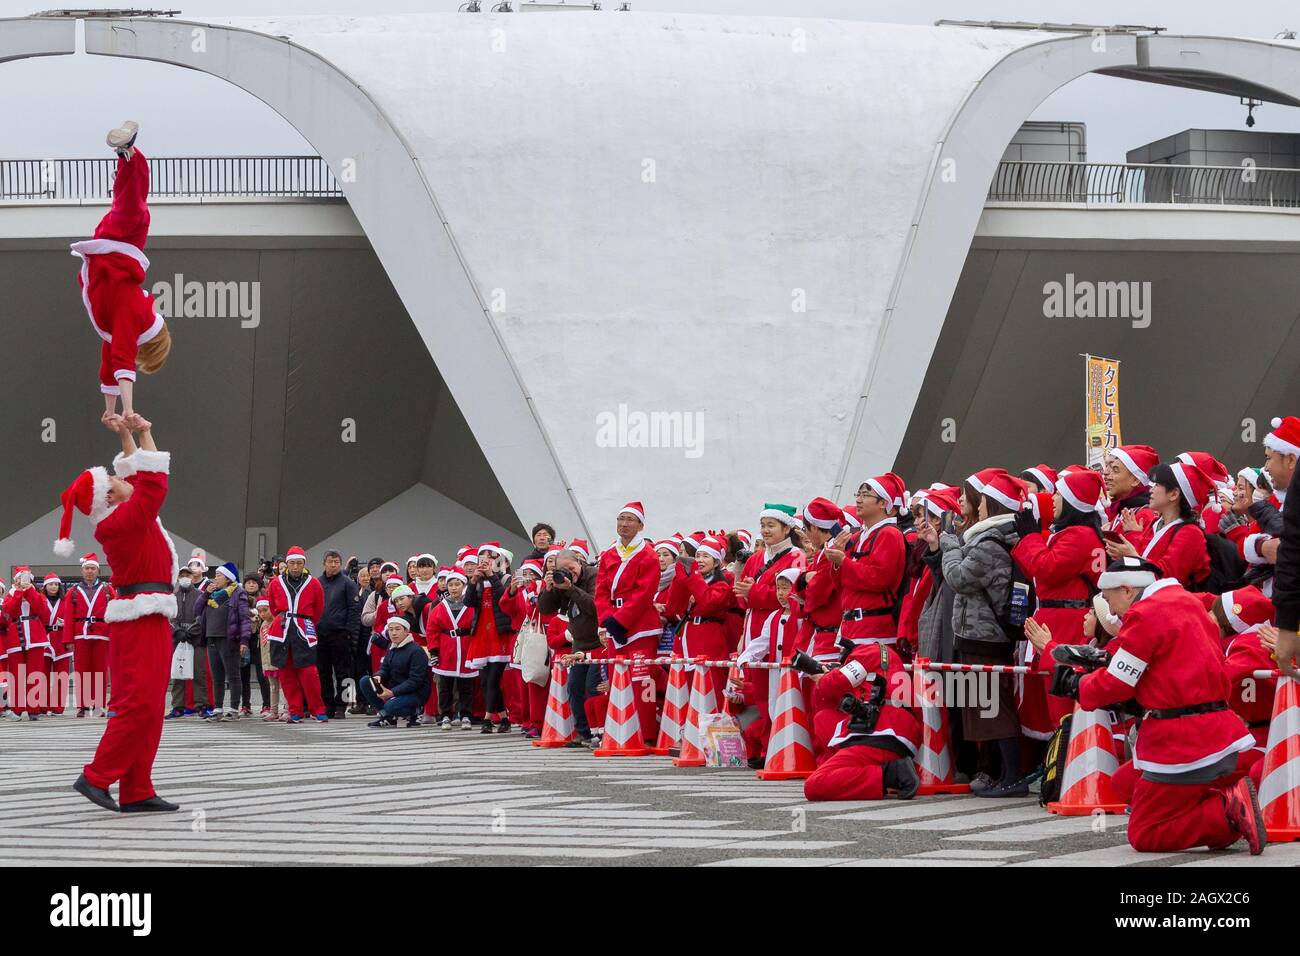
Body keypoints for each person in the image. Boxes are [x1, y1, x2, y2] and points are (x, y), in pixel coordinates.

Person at [1049, 556, 1264, 854]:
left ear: (1127, 589)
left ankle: (1225, 811)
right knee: (1125, 784)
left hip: (1181, 742)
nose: (1109, 610)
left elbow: (1117, 683)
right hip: (1217, 731)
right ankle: (1224, 809)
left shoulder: (1146, 613)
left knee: (1145, 834)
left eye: (1110, 600)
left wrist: (1079, 686)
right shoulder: (1186, 602)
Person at [63, 416, 181, 813]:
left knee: (149, 707)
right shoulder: (124, 522)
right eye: (113, 481)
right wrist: (144, 434)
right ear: (109, 498)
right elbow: (154, 483)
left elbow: (139, 475)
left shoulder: (125, 516)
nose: (121, 476)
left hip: (148, 614)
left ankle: (137, 788)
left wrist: (132, 432)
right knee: (139, 705)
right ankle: (96, 776)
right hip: (139, 618)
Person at [69, 122, 170, 432]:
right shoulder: (131, 316)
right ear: (145, 343)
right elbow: (123, 362)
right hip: (121, 248)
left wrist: (109, 411)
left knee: (126, 204)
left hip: (110, 252)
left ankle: (125, 159)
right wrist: (127, 409)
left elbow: (109, 366)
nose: (133, 357)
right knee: (132, 206)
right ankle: (130, 154)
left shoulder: (116, 331)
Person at [933, 468, 1025, 797]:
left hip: (985, 636)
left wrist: (949, 544)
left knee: (994, 708)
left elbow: (959, 577)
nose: (977, 506)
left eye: (981, 500)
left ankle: (1011, 775)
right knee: (980, 708)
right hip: (976, 634)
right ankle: (995, 772)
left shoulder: (990, 542)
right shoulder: (990, 538)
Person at [1011, 467, 1107, 729]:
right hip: (1061, 617)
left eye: (1059, 494)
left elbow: (1047, 569)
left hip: (1066, 623)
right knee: (1050, 698)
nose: (1053, 498)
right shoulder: (1078, 533)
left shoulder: (1079, 535)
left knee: (1060, 700)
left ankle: (1063, 757)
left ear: (1073, 502)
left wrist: (1031, 537)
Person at [802, 641, 922, 801]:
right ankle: (889, 771)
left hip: (879, 729)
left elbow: (836, 682)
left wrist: (823, 679)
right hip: (891, 731)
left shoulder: (868, 651)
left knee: (814, 786)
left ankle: (892, 773)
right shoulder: (884, 659)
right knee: (823, 718)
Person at [826, 476, 906, 649]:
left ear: (883, 503)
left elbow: (879, 579)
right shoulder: (858, 536)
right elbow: (840, 585)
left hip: (875, 632)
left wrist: (844, 562)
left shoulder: (889, 534)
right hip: (852, 628)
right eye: (858, 494)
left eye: (865, 495)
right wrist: (837, 562)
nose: (858, 499)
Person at [1105, 460, 1213, 588]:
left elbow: (1169, 578)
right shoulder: (1156, 523)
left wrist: (1131, 554)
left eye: (1157, 485)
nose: (1151, 490)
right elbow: (1142, 557)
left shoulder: (1191, 533)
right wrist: (1133, 536)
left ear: (1174, 494)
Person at [540, 540, 601, 745]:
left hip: (598, 643)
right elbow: (545, 609)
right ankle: (583, 733)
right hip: (578, 644)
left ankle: (598, 733)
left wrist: (571, 587)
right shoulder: (560, 581)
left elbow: (594, 607)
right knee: (574, 688)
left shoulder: (593, 574)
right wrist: (549, 589)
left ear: (580, 561)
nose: (569, 573)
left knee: (593, 688)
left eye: (572, 568)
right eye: (563, 570)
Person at [266, 546, 328, 723]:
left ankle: (318, 709)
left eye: (299, 563)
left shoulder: (314, 583)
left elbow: (318, 609)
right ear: (286, 564)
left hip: (303, 627)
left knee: (309, 671)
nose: (295, 567)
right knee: (286, 672)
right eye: (292, 563)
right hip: (281, 629)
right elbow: (272, 606)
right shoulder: (276, 582)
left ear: (304, 564)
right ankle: (295, 711)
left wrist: (305, 622)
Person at [466, 542, 517, 733]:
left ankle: (488, 718)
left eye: (490, 556)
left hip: (499, 632)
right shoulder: (478, 580)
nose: (486, 560)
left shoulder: (505, 579)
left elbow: (504, 599)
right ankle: (504, 718)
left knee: (494, 677)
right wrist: (472, 582)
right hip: (481, 632)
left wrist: (491, 576)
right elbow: (468, 602)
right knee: (485, 678)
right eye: (483, 556)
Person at [425, 568, 477, 729]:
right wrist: (433, 651)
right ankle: (445, 714)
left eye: (457, 584)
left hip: (466, 647)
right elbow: (432, 629)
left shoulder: (471, 605)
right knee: (445, 685)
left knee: (466, 685)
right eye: (451, 585)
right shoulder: (440, 606)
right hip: (446, 648)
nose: (454, 588)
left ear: (464, 585)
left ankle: (466, 714)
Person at [66, 552, 115, 717]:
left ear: (98, 571)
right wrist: (68, 639)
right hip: (81, 634)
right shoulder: (72, 591)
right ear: (82, 571)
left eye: (93, 568)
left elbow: (115, 613)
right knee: (82, 671)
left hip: (102, 634)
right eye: (87, 568)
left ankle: (100, 704)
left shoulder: (108, 590)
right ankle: (83, 705)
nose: (89, 571)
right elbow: (68, 617)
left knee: (101, 671)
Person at [360, 616, 431, 728]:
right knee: (365, 681)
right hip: (395, 689)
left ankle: (415, 711)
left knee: (390, 706)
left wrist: (392, 692)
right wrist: (378, 676)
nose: (393, 633)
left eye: (397, 629)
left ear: (406, 631)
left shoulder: (416, 651)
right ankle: (388, 717)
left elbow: (415, 681)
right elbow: (385, 669)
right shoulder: (392, 648)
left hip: (415, 693)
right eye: (391, 630)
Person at [201, 562, 249, 722]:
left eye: (219, 576)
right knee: (217, 677)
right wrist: (204, 594)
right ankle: (217, 709)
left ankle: (234, 709)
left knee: (233, 675)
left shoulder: (238, 593)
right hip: (211, 637)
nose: (215, 579)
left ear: (228, 578)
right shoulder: (211, 594)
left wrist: (244, 640)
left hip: (229, 639)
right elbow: (197, 610)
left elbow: (244, 618)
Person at [2, 568, 52, 719]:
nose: (23, 581)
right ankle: (17, 708)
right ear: (15, 580)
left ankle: (34, 709)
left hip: (35, 639)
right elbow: (9, 612)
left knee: (35, 675)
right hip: (15, 639)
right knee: (17, 675)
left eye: (26, 579)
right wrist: (18, 592)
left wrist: (29, 591)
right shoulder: (10, 596)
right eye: (20, 578)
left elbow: (43, 612)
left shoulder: (38, 595)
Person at [317, 549, 361, 719]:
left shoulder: (348, 583)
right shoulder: (317, 582)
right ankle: (327, 705)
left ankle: (342, 705)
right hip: (321, 634)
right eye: (330, 561)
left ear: (341, 564)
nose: (333, 564)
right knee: (323, 672)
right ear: (324, 563)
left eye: (336, 561)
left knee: (343, 672)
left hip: (340, 634)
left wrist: (349, 632)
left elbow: (354, 609)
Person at [165, 564, 204, 719]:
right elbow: (170, 617)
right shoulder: (172, 596)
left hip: (195, 639)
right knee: (178, 673)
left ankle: (201, 705)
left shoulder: (200, 595)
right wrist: (178, 631)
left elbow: (201, 616)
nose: (185, 578)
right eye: (182, 576)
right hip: (177, 639)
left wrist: (191, 632)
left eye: (188, 575)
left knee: (198, 673)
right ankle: (177, 706)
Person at [239, 574, 268, 716]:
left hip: (259, 639)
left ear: (259, 585)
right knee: (243, 674)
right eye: (248, 582)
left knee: (262, 674)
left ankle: (267, 705)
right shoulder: (239, 598)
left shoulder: (264, 598)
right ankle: (245, 705)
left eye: (254, 582)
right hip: (244, 640)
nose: (251, 585)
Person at [42, 573, 71, 715]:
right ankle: (43, 705)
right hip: (44, 639)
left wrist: (66, 624)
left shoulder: (66, 601)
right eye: (50, 584)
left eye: (56, 584)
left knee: (62, 674)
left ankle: (58, 707)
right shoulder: (40, 600)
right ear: (45, 586)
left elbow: (72, 617)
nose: (53, 587)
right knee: (42, 674)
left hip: (61, 637)